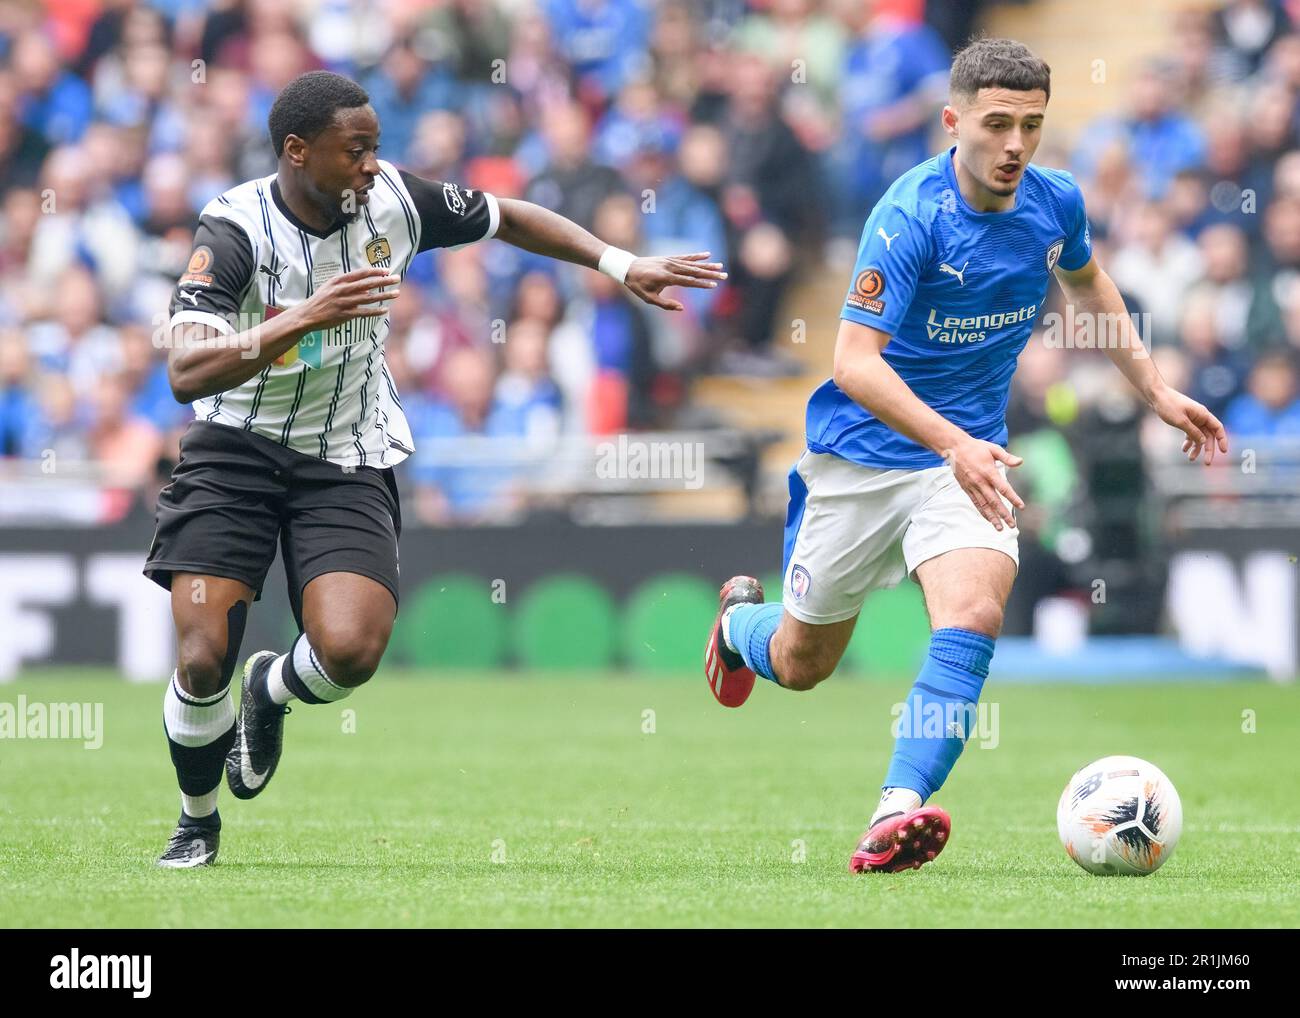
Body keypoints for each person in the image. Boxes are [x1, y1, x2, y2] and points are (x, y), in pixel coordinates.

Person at [146, 70, 725, 868]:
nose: (372, 166)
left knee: (349, 651)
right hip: (235, 449)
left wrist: (619, 265)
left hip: (344, 451)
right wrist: (304, 317)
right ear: (296, 150)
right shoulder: (233, 230)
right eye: (356, 151)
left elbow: (508, 216)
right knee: (202, 652)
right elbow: (184, 372)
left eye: (377, 148)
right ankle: (197, 820)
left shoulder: (394, 202)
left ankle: (270, 691)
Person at [702, 38, 1227, 874]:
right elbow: (852, 364)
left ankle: (894, 810)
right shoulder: (908, 217)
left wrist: (1154, 390)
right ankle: (737, 625)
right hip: (862, 459)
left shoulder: (1054, 205)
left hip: (971, 459)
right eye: (996, 125)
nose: (1016, 144)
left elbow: (1090, 286)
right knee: (803, 664)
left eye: (1032, 125)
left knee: (974, 614)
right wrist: (949, 442)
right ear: (954, 123)